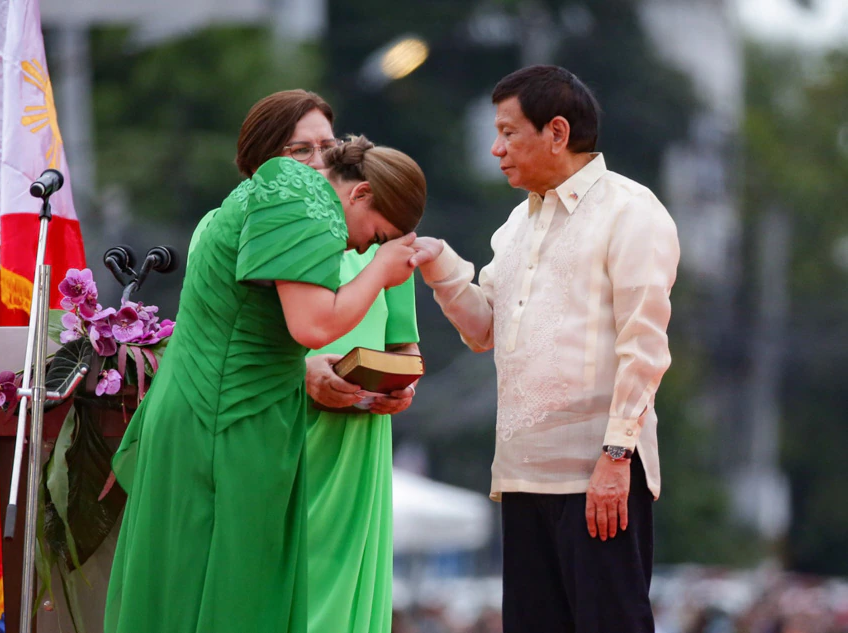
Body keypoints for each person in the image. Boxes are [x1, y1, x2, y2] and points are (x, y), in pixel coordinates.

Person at [104, 120, 427, 633]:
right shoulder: (297, 196)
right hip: (224, 417)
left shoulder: (287, 195)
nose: (364, 249)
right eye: (376, 236)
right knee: (223, 591)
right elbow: (315, 325)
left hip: (240, 414)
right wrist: (381, 269)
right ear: (361, 191)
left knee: (227, 590)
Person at [409, 65, 680, 632]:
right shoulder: (515, 226)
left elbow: (644, 345)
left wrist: (616, 457)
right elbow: (485, 329)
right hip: (522, 472)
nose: (495, 149)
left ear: (557, 132)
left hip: (598, 472)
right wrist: (439, 265)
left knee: (611, 623)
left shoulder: (631, 211)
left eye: (509, 133)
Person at [189, 90, 421, 633]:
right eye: (300, 150)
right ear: (262, 162)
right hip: (278, 429)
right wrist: (304, 372)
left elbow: (404, 344)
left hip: (359, 441)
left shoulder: (376, 234)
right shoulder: (240, 226)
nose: (319, 160)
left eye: (327, 145)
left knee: (351, 603)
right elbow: (221, 341)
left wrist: (400, 383)